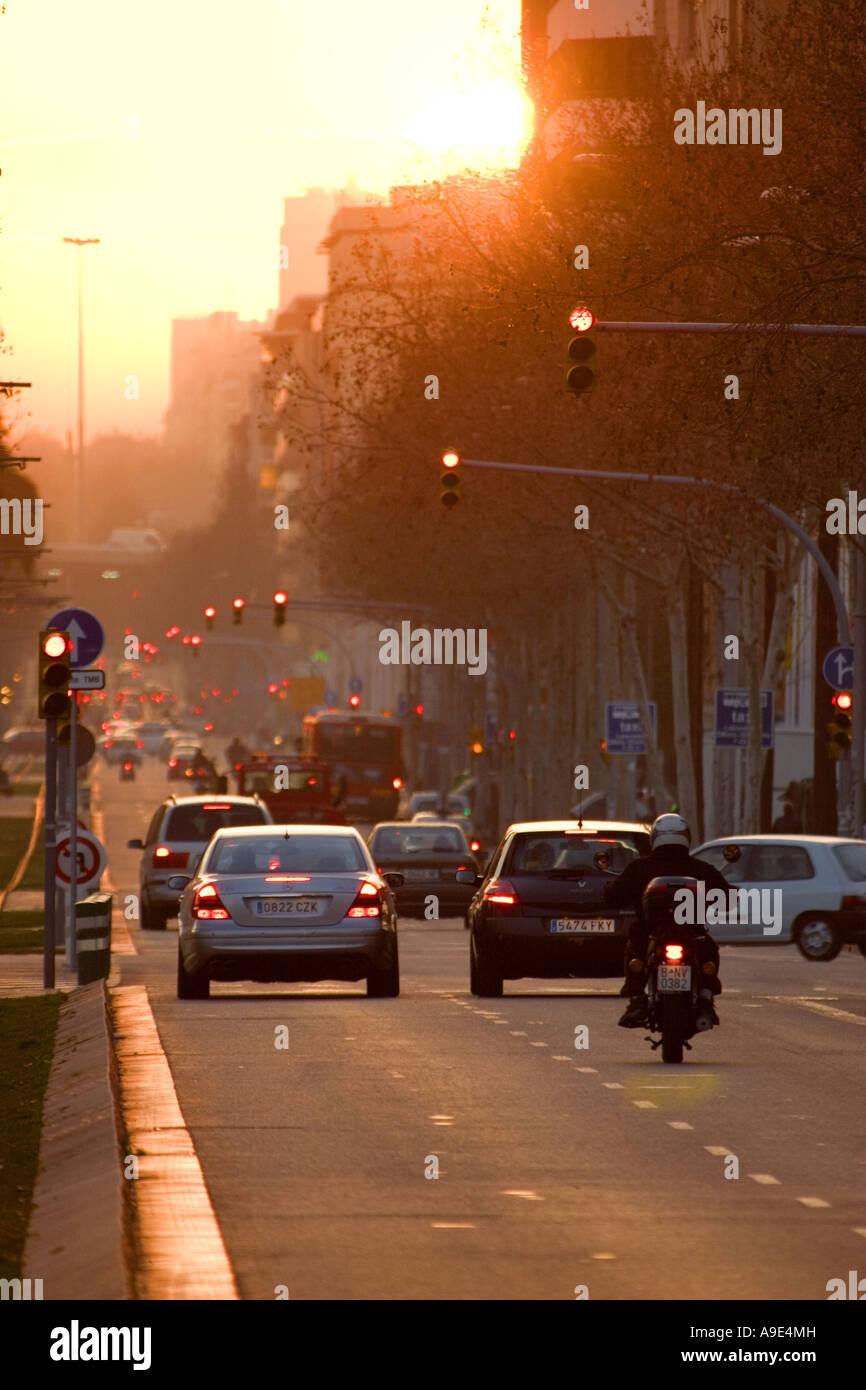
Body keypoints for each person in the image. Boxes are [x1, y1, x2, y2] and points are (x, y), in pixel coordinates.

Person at [603, 812, 731, 1029]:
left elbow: (614, 896)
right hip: (692, 933)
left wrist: (610, 892)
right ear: (686, 837)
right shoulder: (700, 868)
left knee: (635, 948)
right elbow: (726, 897)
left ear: (655, 837)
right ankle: (706, 998)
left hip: (650, 933)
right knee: (708, 950)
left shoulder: (640, 868)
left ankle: (636, 999)